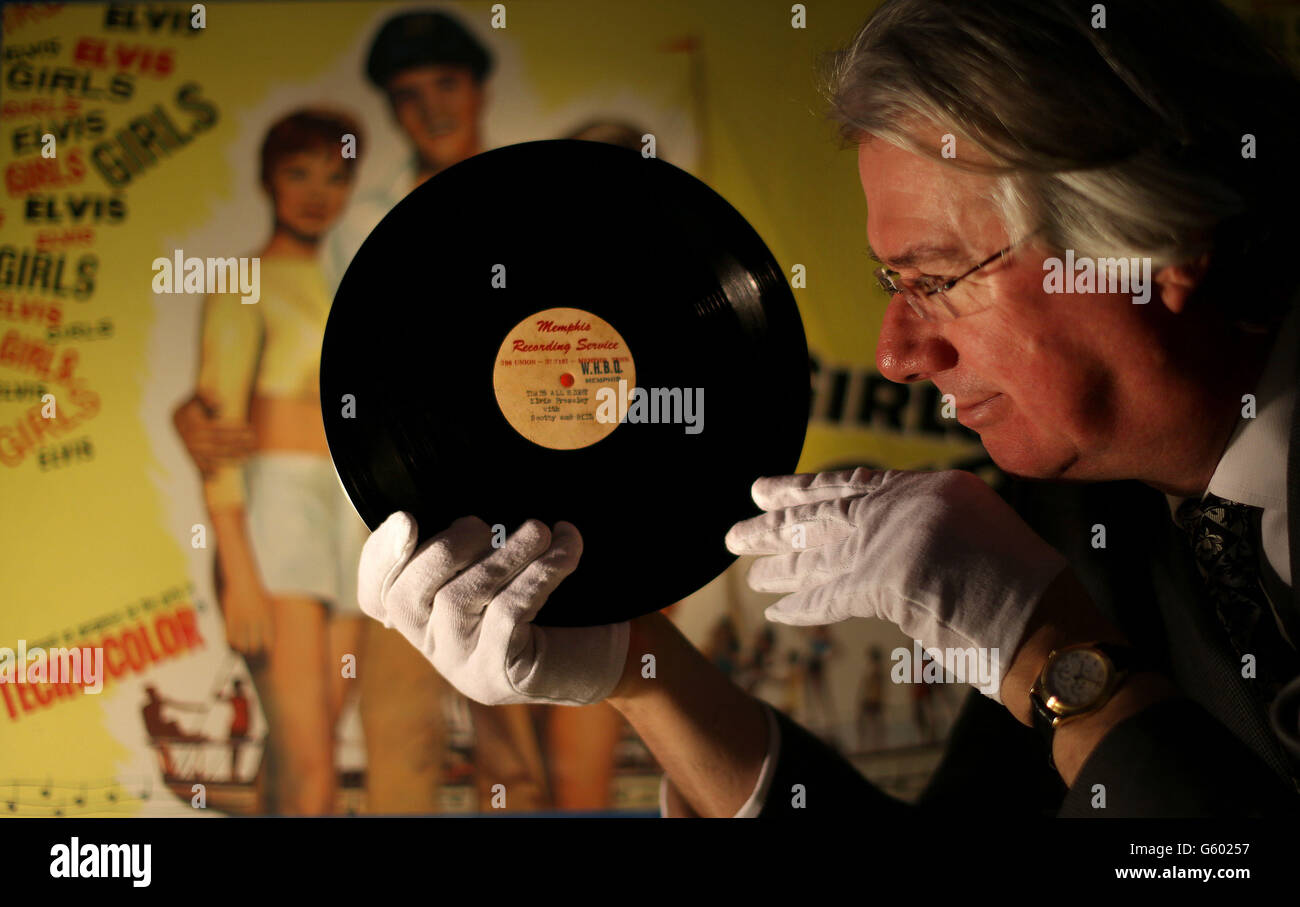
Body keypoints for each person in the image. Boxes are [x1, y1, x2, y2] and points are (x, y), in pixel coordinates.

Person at [353, 0, 1300, 818]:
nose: (897, 355)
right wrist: (640, 667)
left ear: (1158, 247)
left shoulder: (1045, 583)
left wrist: (1052, 658)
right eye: (890, 283)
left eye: (936, 279)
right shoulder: (1071, 520)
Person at [178, 108, 368, 814]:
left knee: (304, 756)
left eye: (335, 176)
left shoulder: (355, 280)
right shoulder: (243, 282)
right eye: (298, 173)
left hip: (352, 515)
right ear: (267, 179)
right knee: (313, 770)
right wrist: (239, 575)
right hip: (276, 515)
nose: (318, 192)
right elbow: (220, 434)